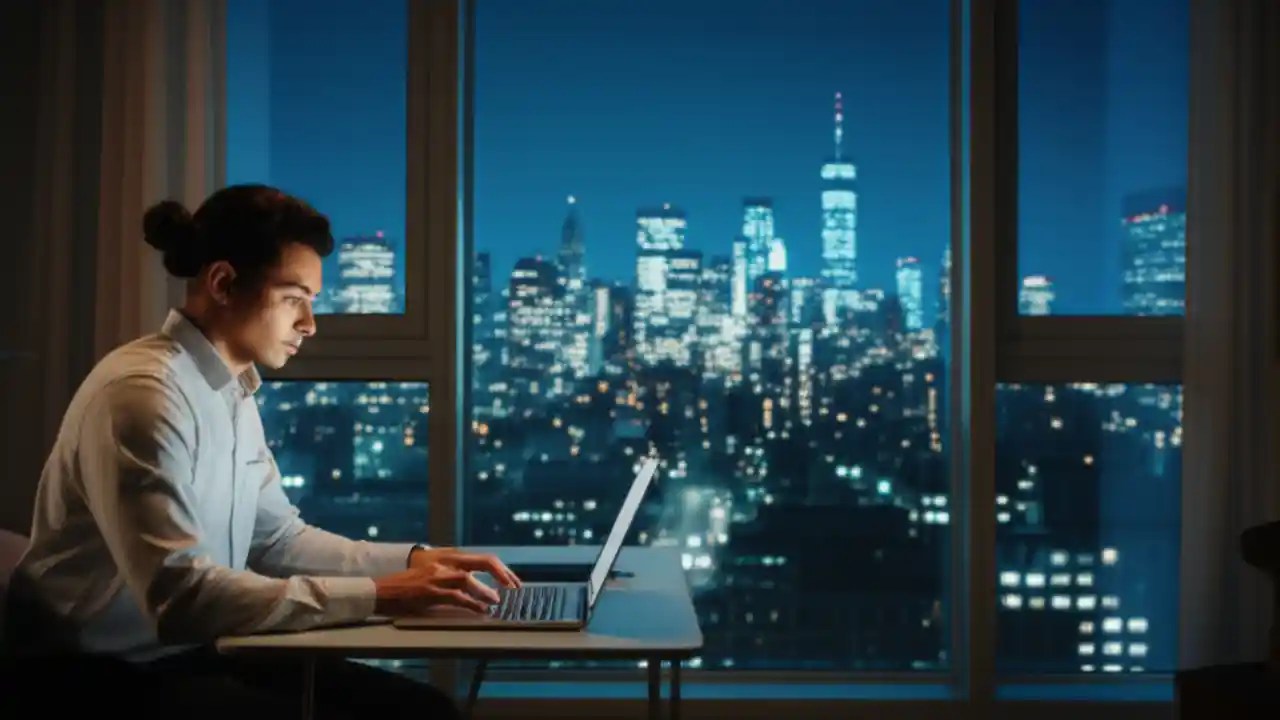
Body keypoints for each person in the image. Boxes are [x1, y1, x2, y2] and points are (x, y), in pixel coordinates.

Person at [3, 184, 519, 719]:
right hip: (90, 676)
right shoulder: (143, 395)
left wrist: (414, 562)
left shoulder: (230, 389)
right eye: (294, 298)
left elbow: (275, 539)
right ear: (223, 283)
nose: (309, 324)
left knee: (422, 710)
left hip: (188, 652)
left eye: (312, 303)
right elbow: (180, 599)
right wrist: (385, 594)